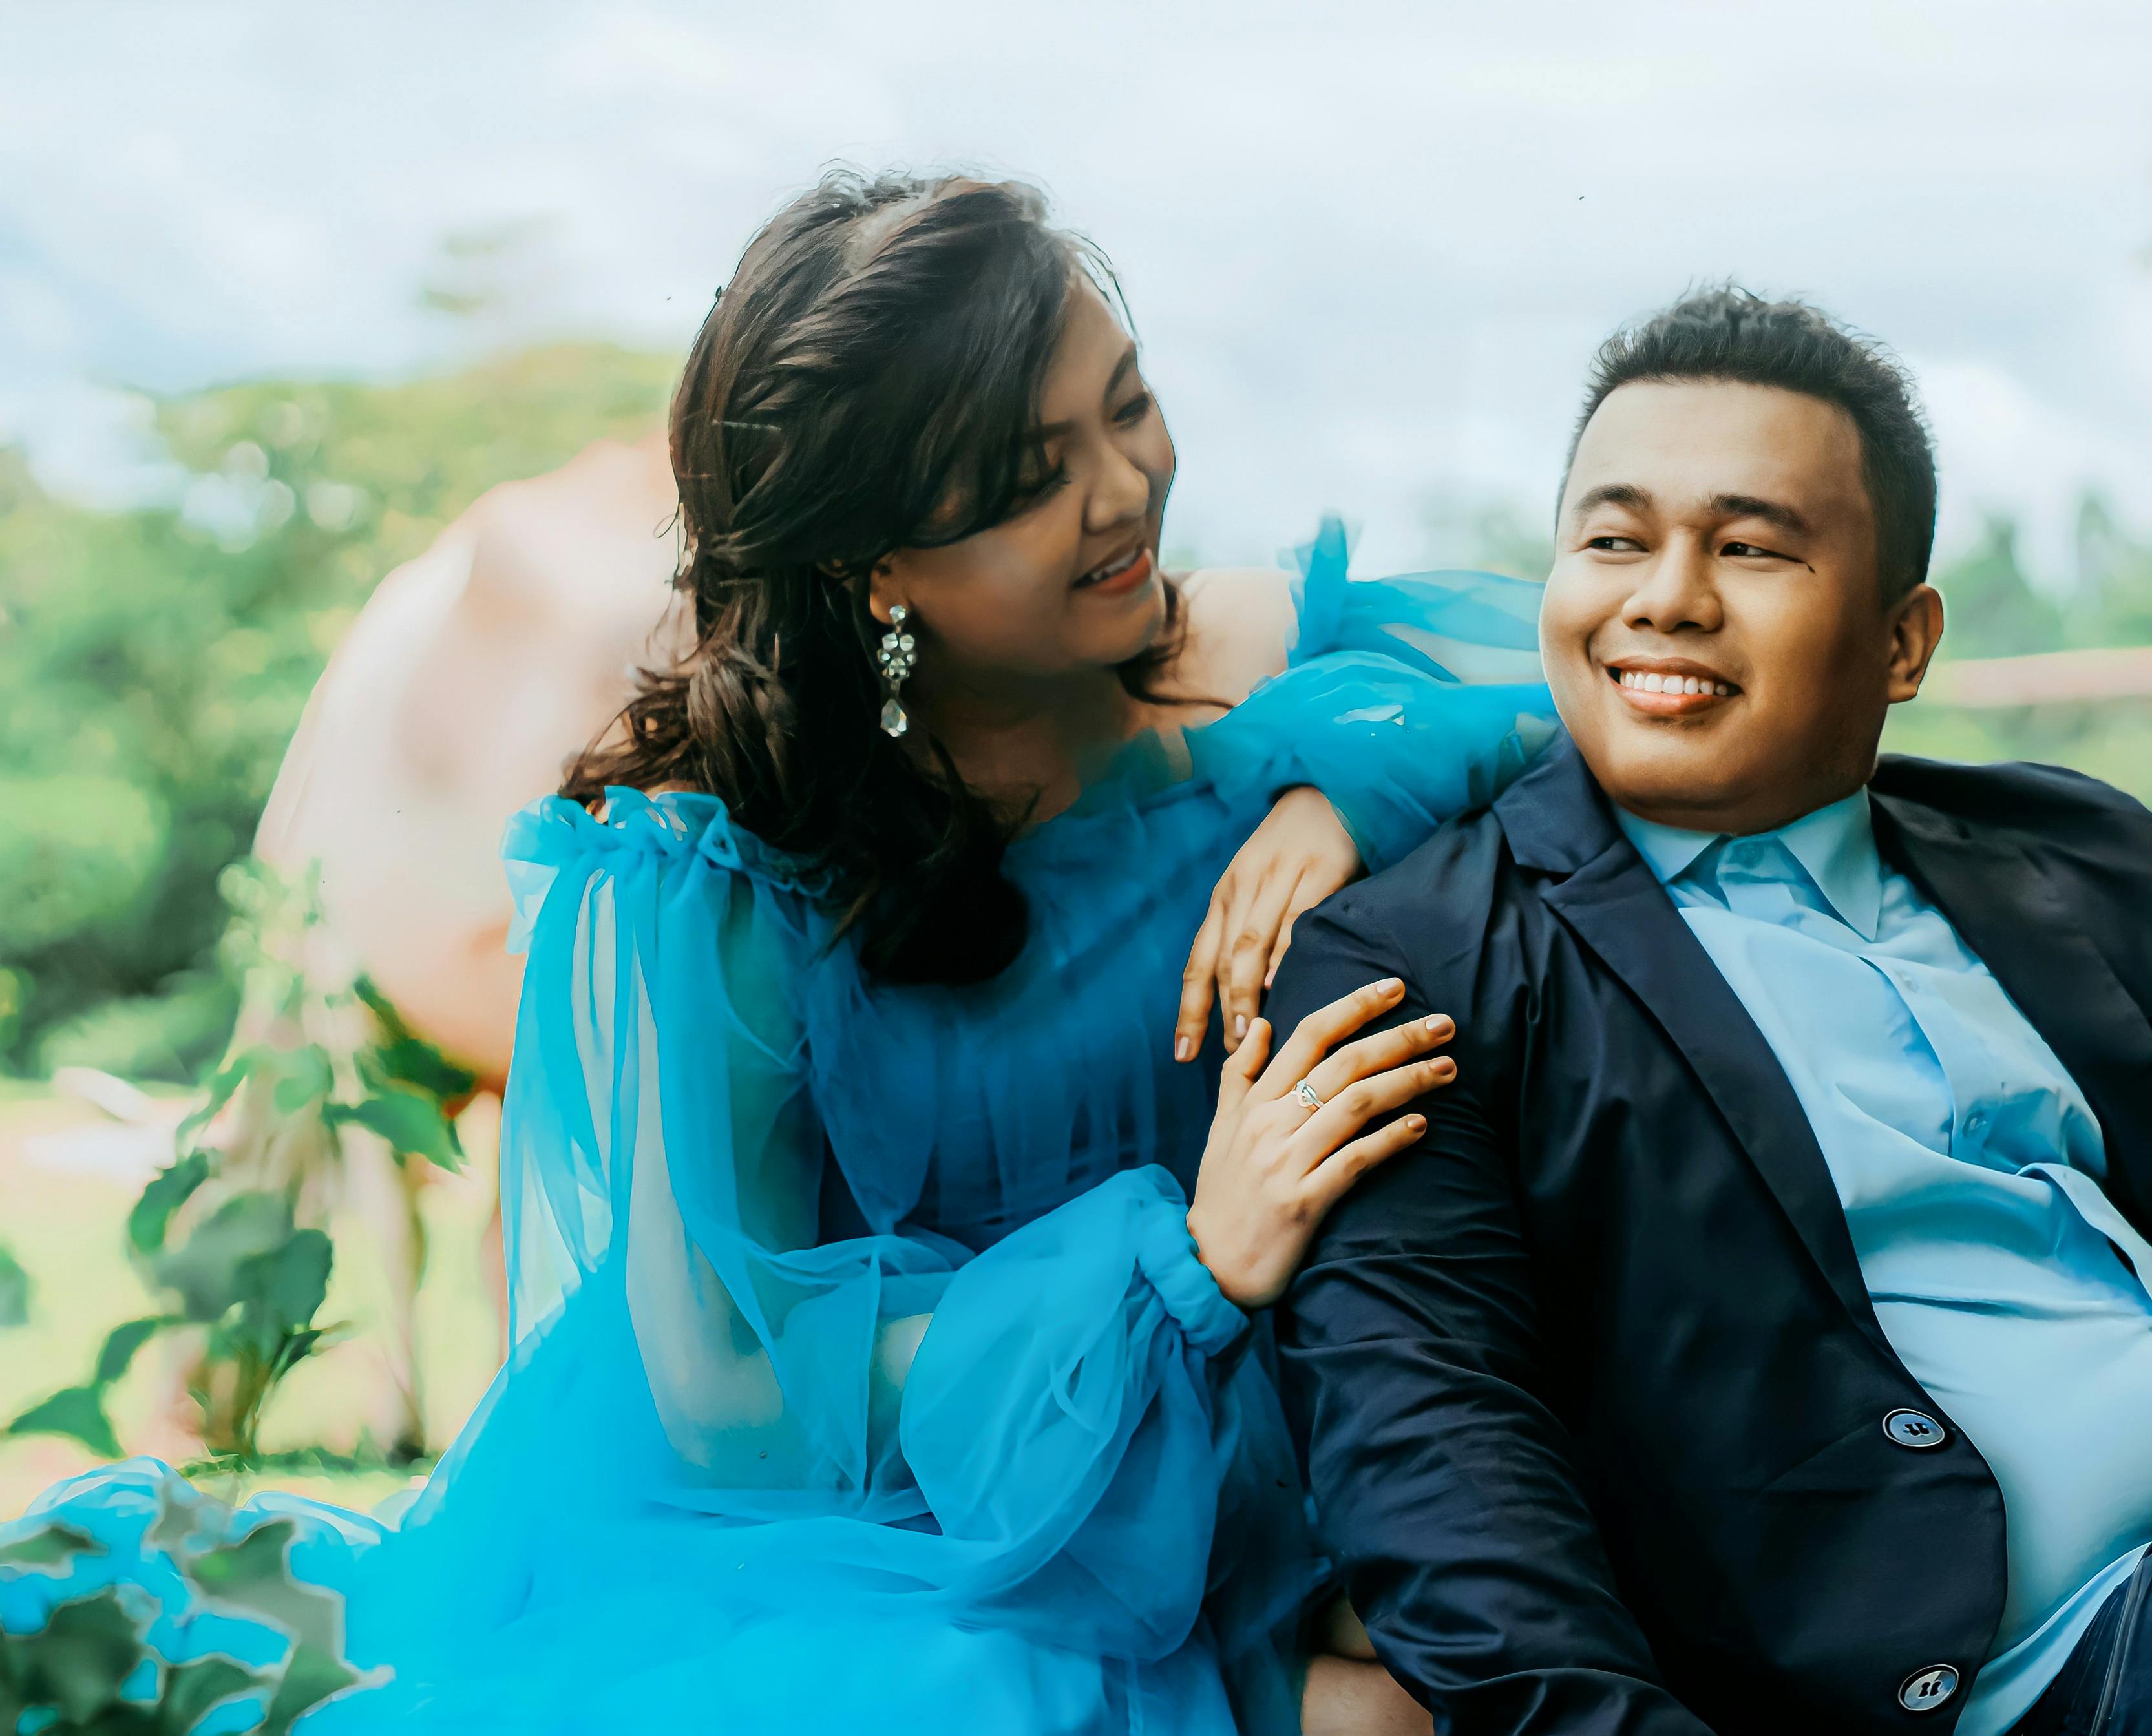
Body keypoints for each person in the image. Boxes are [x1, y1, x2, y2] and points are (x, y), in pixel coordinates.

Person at [2, 171, 1548, 1734]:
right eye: (1030, 477)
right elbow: (723, 1388)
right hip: (911, 1543)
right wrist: (1176, 1270)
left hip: (1302, 1456)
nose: (1123, 489)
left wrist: (1341, 792)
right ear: (874, 567)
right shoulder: (719, 866)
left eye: (1129, 406)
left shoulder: (1259, 664)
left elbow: (1594, 675)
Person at [1267, 286, 2152, 1735]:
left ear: (1903, 642)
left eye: (1750, 546)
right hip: (2073, 1650)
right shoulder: (1428, 965)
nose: (1667, 596)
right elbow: (1443, 1477)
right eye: (1613, 540)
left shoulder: (2060, 853)